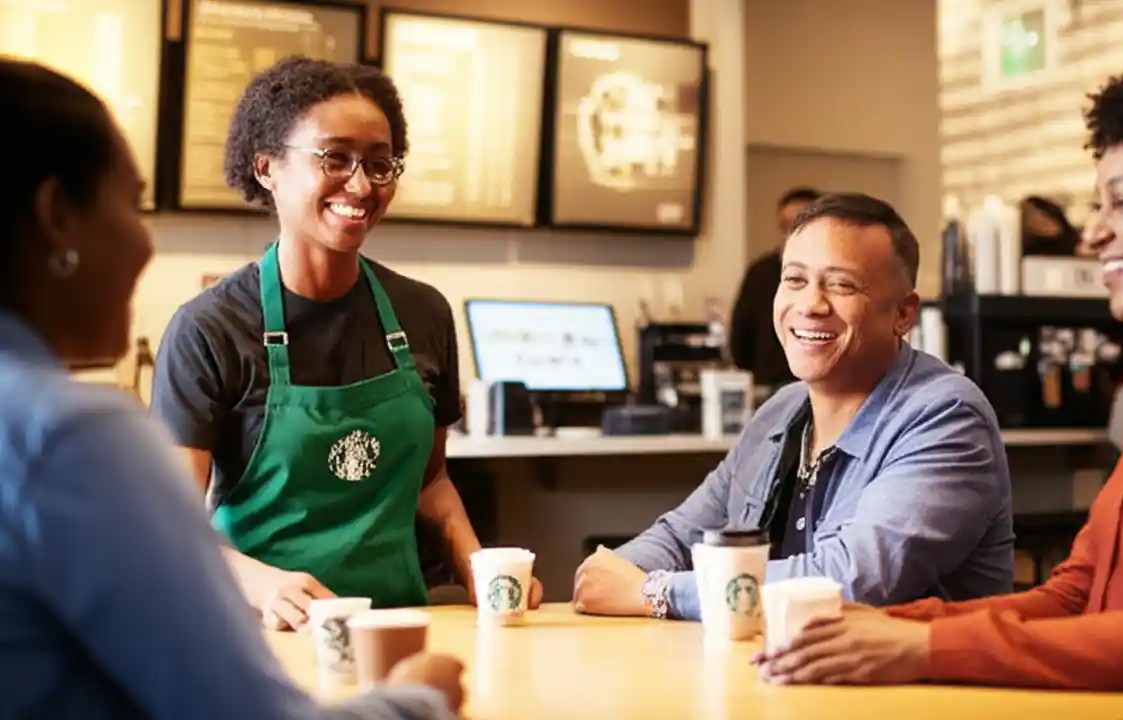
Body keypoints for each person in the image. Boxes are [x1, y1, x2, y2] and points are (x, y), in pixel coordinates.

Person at [754, 56, 1123, 720]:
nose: (1093, 233)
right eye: (1098, 205)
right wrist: (888, 627)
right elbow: (1078, 592)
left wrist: (926, 650)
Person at [0, 57, 463, 720]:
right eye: (132, 205)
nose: (144, 248)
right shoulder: (69, 434)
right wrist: (422, 698)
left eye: (380, 162)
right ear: (56, 217)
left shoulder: (420, 309)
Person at [150, 57, 540, 630]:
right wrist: (262, 583)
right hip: (265, 632)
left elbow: (431, 482)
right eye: (335, 158)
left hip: (402, 622)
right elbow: (167, 524)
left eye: (380, 164)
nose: (361, 186)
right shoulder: (210, 330)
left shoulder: (423, 312)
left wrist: (479, 567)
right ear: (267, 167)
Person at [573, 193, 1015, 619]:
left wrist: (653, 592)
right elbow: (680, 537)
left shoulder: (946, 416)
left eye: (841, 285)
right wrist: (610, 575)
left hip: (913, 691)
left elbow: (851, 581)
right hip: (782, 681)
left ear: (903, 313)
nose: (810, 305)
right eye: (795, 280)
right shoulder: (782, 409)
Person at [730, 186, 822, 389]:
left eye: (801, 225)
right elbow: (740, 337)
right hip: (771, 383)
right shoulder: (760, 273)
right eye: (787, 225)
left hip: (824, 381)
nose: (793, 233)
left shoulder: (836, 273)